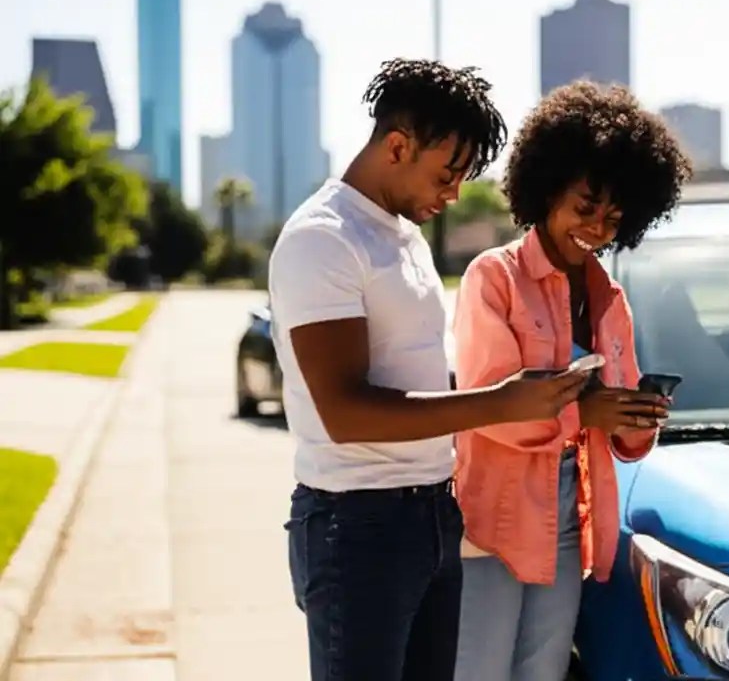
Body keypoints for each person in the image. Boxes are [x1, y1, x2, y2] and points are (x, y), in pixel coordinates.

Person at [268, 59, 589, 681]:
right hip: (355, 527)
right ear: (397, 145)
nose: (452, 194)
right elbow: (345, 412)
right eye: (446, 175)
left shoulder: (403, 236)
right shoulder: (323, 238)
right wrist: (500, 402)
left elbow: (423, 378)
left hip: (431, 518)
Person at [451, 80, 693, 681]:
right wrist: (588, 414)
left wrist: (639, 418)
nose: (598, 228)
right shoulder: (495, 278)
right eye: (585, 207)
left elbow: (625, 442)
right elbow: (486, 406)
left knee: (543, 673)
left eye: (614, 217)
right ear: (547, 189)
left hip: (569, 528)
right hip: (494, 524)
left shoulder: (610, 298)